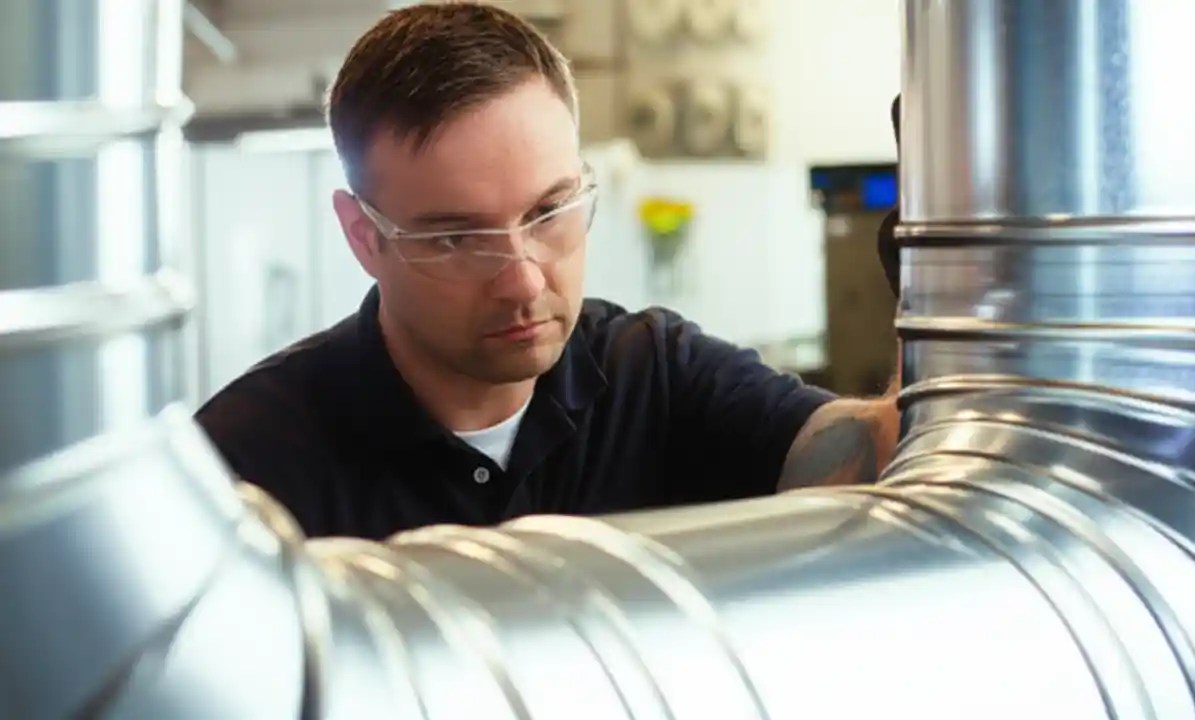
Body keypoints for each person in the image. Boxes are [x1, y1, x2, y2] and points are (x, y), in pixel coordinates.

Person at [196, 1, 900, 540]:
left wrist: (948, 281)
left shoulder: (651, 375)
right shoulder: (248, 465)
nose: (525, 281)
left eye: (550, 213)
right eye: (456, 239)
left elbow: (877, 462)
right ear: (361, 236)